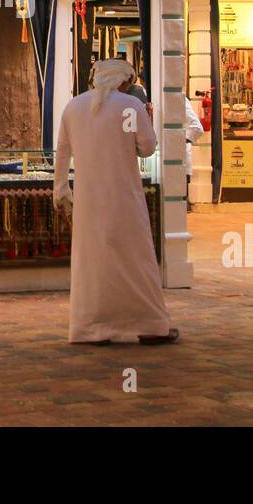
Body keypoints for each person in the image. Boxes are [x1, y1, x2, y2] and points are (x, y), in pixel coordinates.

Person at [54, 57, 177, 346]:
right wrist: (147, 120)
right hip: (125, 198)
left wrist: (60, 189)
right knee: (136, 259)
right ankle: (150, 325)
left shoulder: (73, 107)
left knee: (91, 262)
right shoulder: (131, 106)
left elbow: (62, 151)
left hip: (88, 200)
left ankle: (90, 328)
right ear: (123, 81)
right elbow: (147, 148)